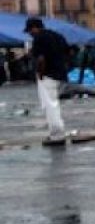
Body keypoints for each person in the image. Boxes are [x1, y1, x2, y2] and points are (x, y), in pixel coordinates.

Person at [25, 17, 70, 145]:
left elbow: (41, 58)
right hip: (60, 73)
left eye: (30, 30)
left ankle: (56, 135)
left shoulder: (39, 38)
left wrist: (40, 72)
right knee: (54, 103)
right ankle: (58, 132)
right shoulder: (57, 35)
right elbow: (68, 51)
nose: (29, 33)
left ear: (34, 28)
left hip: (47, 74)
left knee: (50, 105)